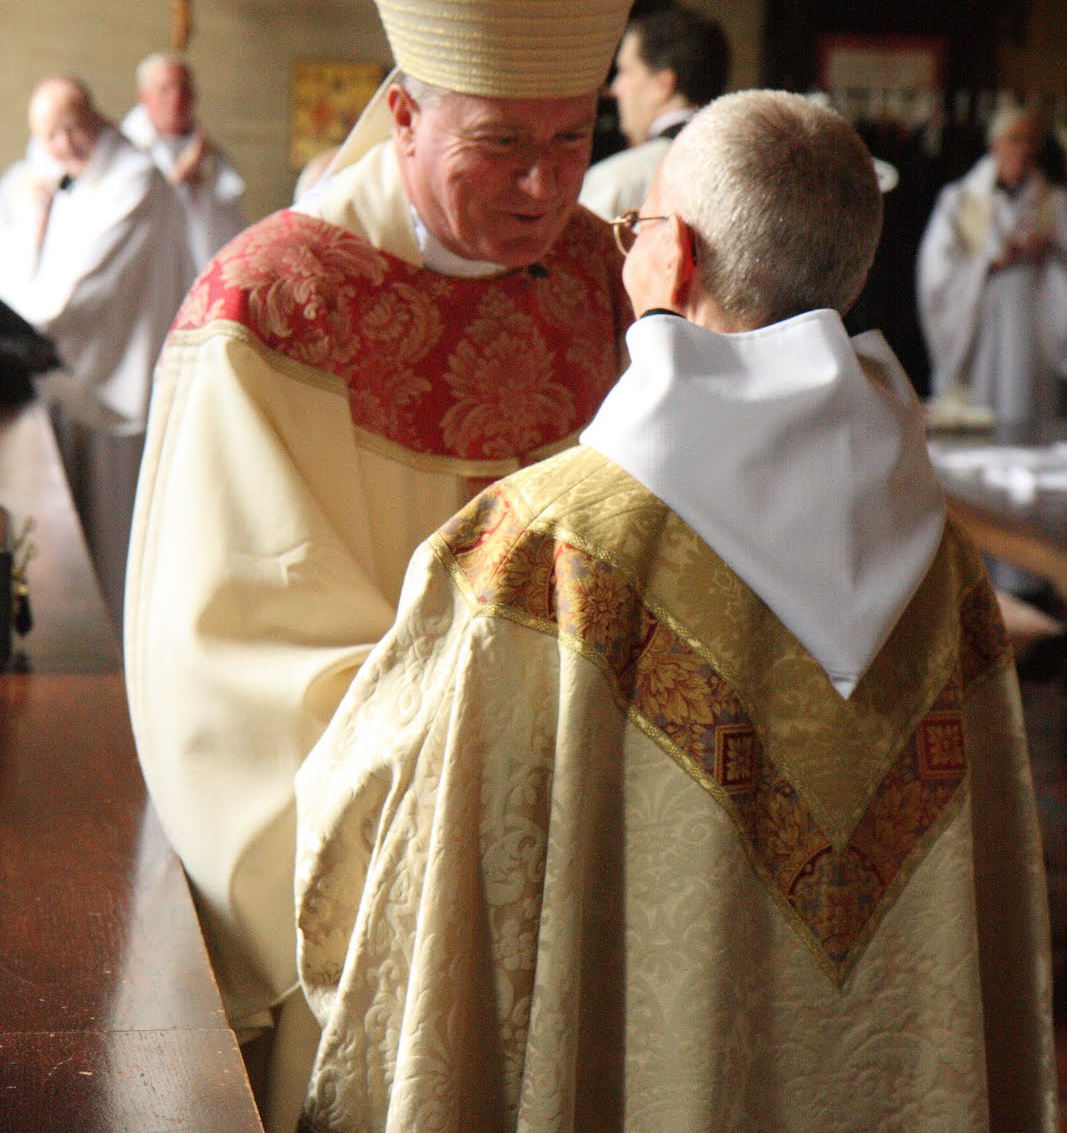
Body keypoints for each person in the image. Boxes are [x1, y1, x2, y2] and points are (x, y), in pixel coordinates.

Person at [295, 90, 1057, 1133]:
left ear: (672, 261)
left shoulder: (539, 548)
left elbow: (376, 841)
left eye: (635, 226)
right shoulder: (946, 565)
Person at [123, 0, 658, 1133]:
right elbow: (228, 663)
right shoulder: (273, 305)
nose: (547, 187)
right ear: (404, 113)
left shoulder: (609, 277)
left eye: (568, 134)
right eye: (499, 144)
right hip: (403, 863)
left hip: (605, 846)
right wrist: (485, 781)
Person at [0, 76, 191, 622]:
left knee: (112, 540)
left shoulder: (135, 182)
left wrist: (22, 332)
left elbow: (77, 297)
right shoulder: (71, 175)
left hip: (115, 387)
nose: (61, 145)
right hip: (69, 378)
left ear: (95, 115)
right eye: (49, 136)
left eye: (70, 128)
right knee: (67, 534)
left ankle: (112, 657)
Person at [917, 101, 1067, 425]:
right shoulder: (960, 200)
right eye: (1015, 139)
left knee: (1028, 404)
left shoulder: (1054, 202)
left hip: (1034, 326)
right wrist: (992, 262)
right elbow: (937, 270)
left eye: (1031, 141)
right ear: (995, 143)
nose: (1023, 149)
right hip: (981, 323)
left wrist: (1049, 253)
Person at [579, 2, 730, 219]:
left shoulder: (618, 181)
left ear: (662, 85)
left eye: (625, 71)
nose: (615, 89)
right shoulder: (744, 173)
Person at [121, 50, 245, 272]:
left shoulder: (211, 155)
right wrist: (179, 176)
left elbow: (230, 226)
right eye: (165, 89)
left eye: (184, 89)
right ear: (143, 97)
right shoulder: (127, 150)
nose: (176, 99)